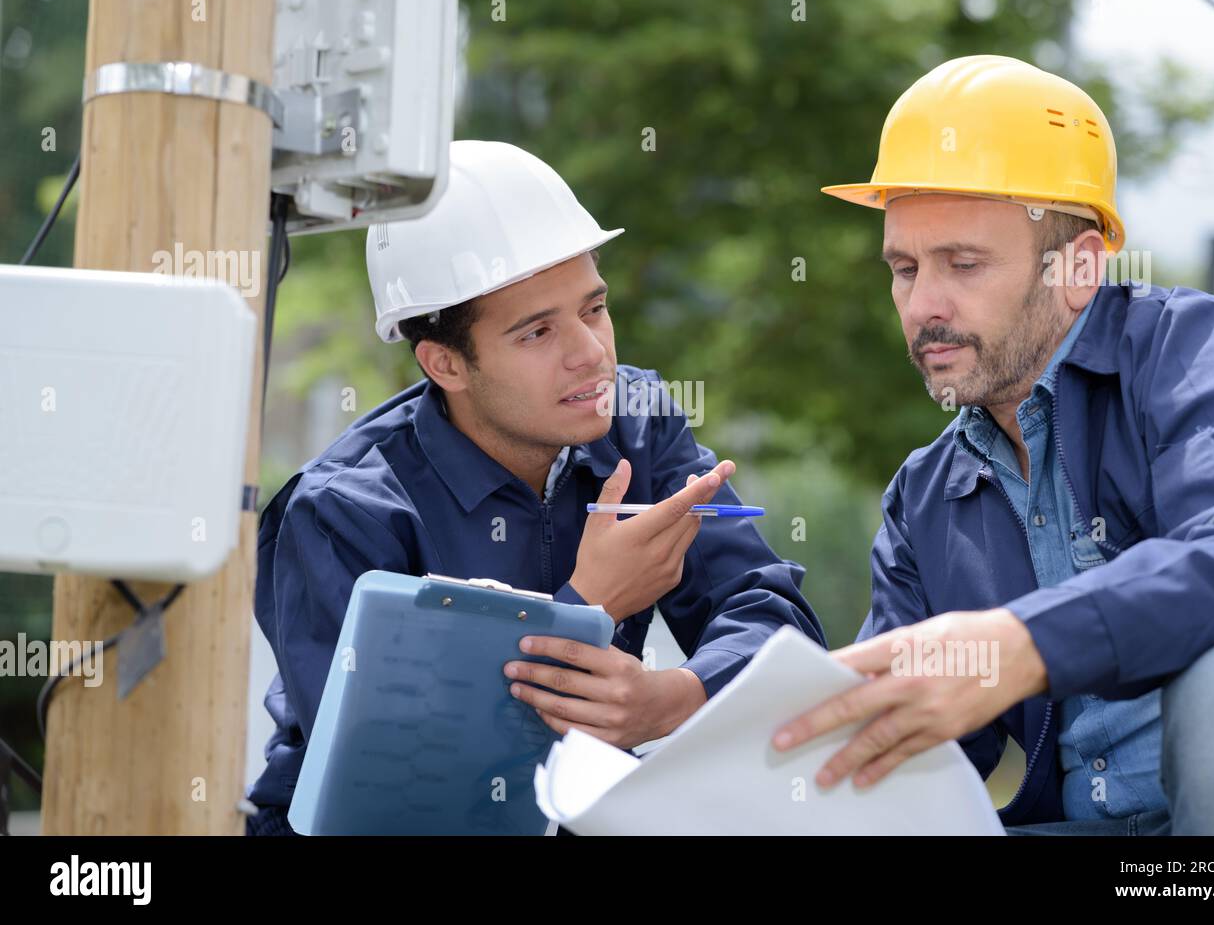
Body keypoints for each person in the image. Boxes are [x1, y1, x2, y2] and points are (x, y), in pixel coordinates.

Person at [775, 55, 1214, 834]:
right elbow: (898, 749)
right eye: (905, 268)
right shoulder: (925, 497)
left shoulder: (1193, 352)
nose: (924, 305)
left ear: (1080, 265)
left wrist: (1023, 644)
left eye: (963, 263)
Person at [245, 140, 825, 834]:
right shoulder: (340, 513)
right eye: (538, 331)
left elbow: (778, 624)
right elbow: (403, 776)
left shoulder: (637, 424)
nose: (591, 352)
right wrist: (589, 605)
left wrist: (672, 697)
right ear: (446, 364)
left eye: (594, 307)